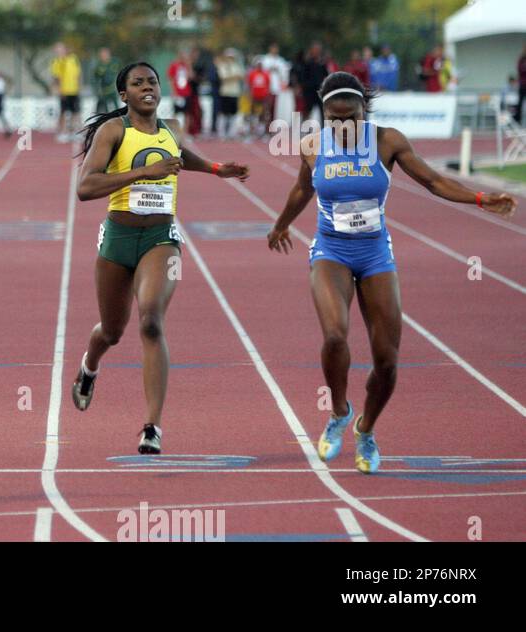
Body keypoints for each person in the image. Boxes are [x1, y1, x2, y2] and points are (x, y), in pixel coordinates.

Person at [266, 72, 517, 473]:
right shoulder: (312, 145)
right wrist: (281, 224)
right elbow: (302, 188)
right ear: (324, 114)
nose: (344, 125)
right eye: (335, 118)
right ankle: (340, 412)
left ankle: (366, 428)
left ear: (364, 111)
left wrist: (482, 198)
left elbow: (433, 180)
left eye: (352, 117)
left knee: (387, 361)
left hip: (374, 254)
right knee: (334, 335)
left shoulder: (388, 141)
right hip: (331, 249)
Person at [70, 62, 249, 454]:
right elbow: (85, 187)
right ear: (124, 95)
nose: (147, 88)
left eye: (152, 82)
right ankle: (89, 367)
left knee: (151, 320)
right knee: (112, 331)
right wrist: (144, 173)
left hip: (161, 238)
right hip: (118, 238)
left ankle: (152, 426)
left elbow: (180, 154)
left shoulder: (172, 129)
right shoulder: (113, 131)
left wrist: (217, 169)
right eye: (138, 83)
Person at [50, 44, 81, 142]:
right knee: (63, 112)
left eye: (61, 49)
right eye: (57, 50)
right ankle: (62, 132)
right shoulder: (56, 62)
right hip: (64, 90)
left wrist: (79, 86)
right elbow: (56, 77)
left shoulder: (73, 59)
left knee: (75, 112)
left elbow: (78, 74)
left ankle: (73, 132)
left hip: (74, 90)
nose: (60, 52)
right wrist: (59, 90)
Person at [215, 49, 243, 138]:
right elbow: (223, 77)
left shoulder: (236, 66)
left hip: (234, 92)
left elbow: (240, 76)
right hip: (225, 92)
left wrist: (231, 77)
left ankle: (231, 132)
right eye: (229, 57)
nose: (230, 59)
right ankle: (222, 132)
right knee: (223, 113)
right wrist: (233, 77)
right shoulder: (222, 65)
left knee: (233, 113)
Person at [92, 47, 118, 114]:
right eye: (102, 55)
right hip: (103, 91)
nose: (103, 56)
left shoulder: (114, 62)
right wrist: (97, 90)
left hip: (112, 89)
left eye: (105, 54)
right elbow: (95, 79)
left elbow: (118, 73)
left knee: (116, 107)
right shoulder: (99, 65)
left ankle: (119, 120)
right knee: (104, 109)